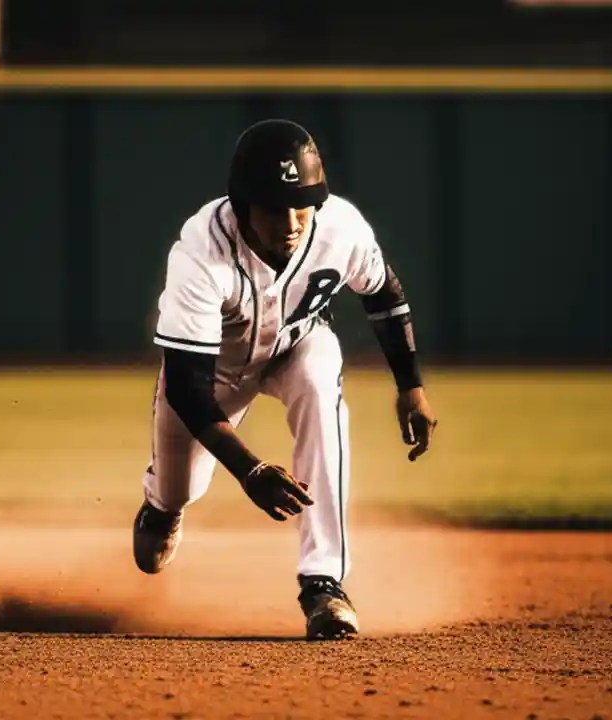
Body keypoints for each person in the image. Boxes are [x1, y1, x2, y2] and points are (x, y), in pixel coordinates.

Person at [133, 118, 438, 640]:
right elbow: (186, 386)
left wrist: (410, 386)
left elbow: (384, 294)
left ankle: (324, 584)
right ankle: (162, 508)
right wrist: (251, 470)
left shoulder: (340, 228)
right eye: (275, 207)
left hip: (296, 344)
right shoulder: (200, 254)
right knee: (176, 496)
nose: (292, 221)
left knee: (321, 379)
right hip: (216, 374)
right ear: (242, 203)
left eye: (303, 204)